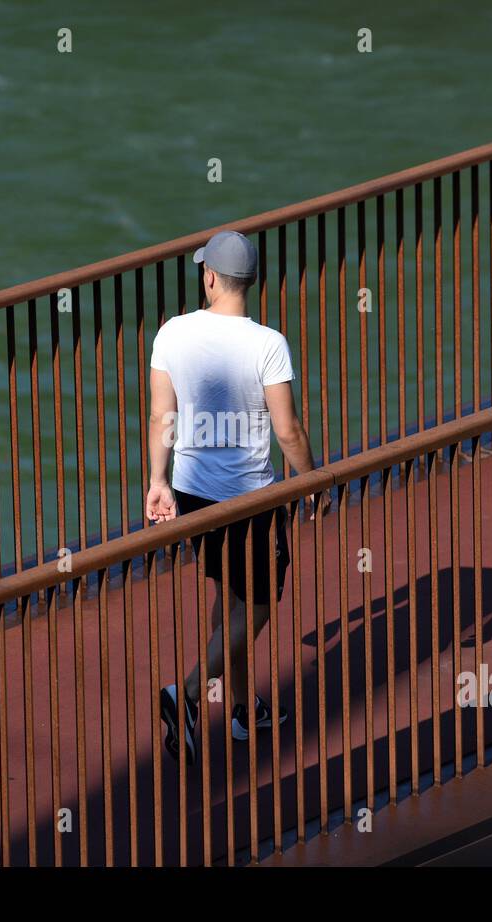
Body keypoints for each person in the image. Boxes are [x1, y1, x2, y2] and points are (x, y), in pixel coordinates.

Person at [146, 229, 329, 765]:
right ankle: (186, 693)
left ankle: (246, 708)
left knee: (232, 597)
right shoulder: (268, 343)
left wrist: (158, 482)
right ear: (252, 282)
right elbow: (288, 429)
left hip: (192, 491)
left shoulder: (172, 333)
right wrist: (310, 480)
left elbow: (163, 415)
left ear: (209, 278)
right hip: (251, 499)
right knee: (261, 603)